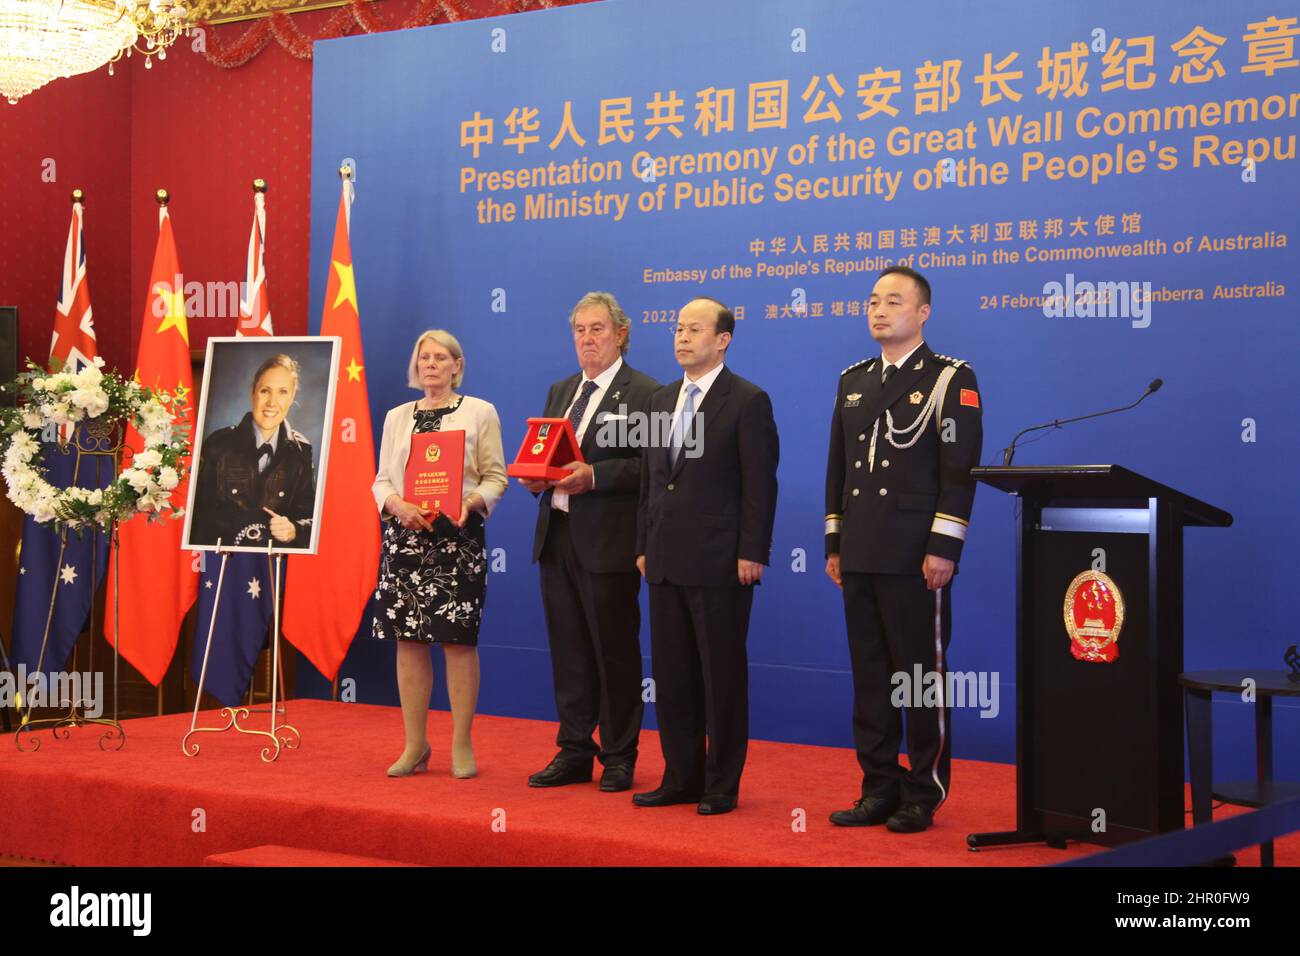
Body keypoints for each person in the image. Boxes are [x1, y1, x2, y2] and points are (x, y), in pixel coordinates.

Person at [824, 266, 983, 833]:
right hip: (863, 548)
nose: (879, 310)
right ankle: (878, 786)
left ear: (923, 313)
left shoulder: (948, 379)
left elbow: (958, 473)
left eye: (893, 301)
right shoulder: (854, 380)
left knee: (918, 676)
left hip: (916, 554)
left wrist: (944, 546)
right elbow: (838, 471)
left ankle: (923, 789)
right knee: (871, 678)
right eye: (872, 301)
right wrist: (835, 542)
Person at [633, 297, 779, 815]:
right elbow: (653, 482)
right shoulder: (659, 400)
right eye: (677, 328)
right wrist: (643, 546)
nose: (682, 337)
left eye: (694, 329)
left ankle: (721, 784)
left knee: (720, 677)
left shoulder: (746, 401)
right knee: (672, 677)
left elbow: (759, 485)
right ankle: (680, 776)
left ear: (722, 340)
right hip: (665, 559)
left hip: (721, 561)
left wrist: (751, 550)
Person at [518, 292, 659, 793]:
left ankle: (620, 756)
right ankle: (575, 749)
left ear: (621, 334)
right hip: (556, 537)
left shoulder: (646, 393)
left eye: (597, 329)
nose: (587, 339)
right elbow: (548, 454)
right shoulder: (560, 391)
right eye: (579, 330)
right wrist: (536, 476)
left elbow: (652, 467)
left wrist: (594, 476)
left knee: (614, 652)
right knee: (569, 652)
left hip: (609, 543)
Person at [371, 329, 508, 780]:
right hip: (406, 538)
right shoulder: (397, 416)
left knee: (457, 641)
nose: (430, 364)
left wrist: (469, 502)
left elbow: (495, 477)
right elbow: (381, 481)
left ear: (457, 365)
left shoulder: (479, 412)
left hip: (458, 541)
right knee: (408, 643)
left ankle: (461, 743)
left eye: (440, 357)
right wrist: (397, 505)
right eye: (423, 357)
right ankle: (415, 745)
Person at [189, 353, 316, 549]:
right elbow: (197, 520)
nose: (272, 403)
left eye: (282, 392)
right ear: (253, 392)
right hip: (225, 561)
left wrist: (294, 530)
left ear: (292, 397)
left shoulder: (301, 452)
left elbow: (312, 519)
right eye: (265, 391)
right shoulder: (218, 445)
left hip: (275, 563)